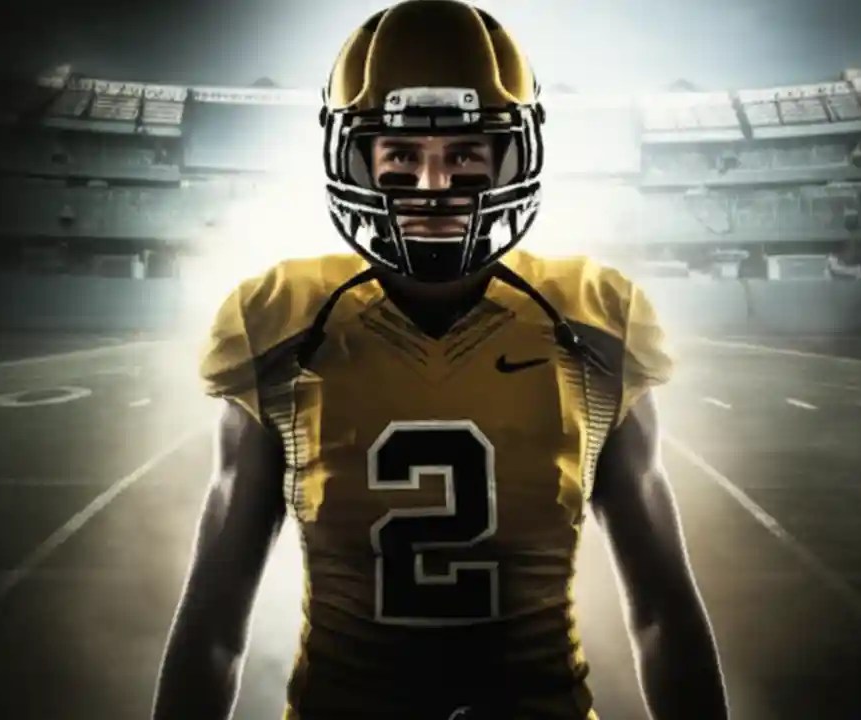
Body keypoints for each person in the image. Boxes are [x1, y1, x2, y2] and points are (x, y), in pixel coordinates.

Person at [152, 1, 728, 718]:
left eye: (464, 154)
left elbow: (662, 611)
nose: (432, 187)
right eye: (400, 156)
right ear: (356, 158)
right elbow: (214, 626)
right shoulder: (278, 322)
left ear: (510, 157)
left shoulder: (593, 319)